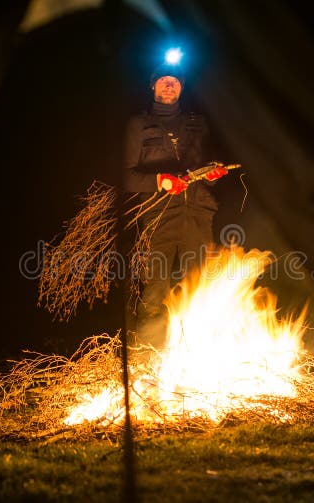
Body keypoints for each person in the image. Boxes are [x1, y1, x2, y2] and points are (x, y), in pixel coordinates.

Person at [122, 61, 229, 351]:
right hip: (158, 218)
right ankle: (147, 357)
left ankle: (198, 354)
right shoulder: (139, 125)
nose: (170, 85)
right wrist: (161, 181)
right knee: (155, 290)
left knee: (200, 287)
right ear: (152, 86)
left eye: (175, 81)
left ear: (182, 87)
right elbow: (127, 176)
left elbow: (208, 170)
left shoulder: (198, 124)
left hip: (198, 214)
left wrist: (214, 173)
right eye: (163, 81)